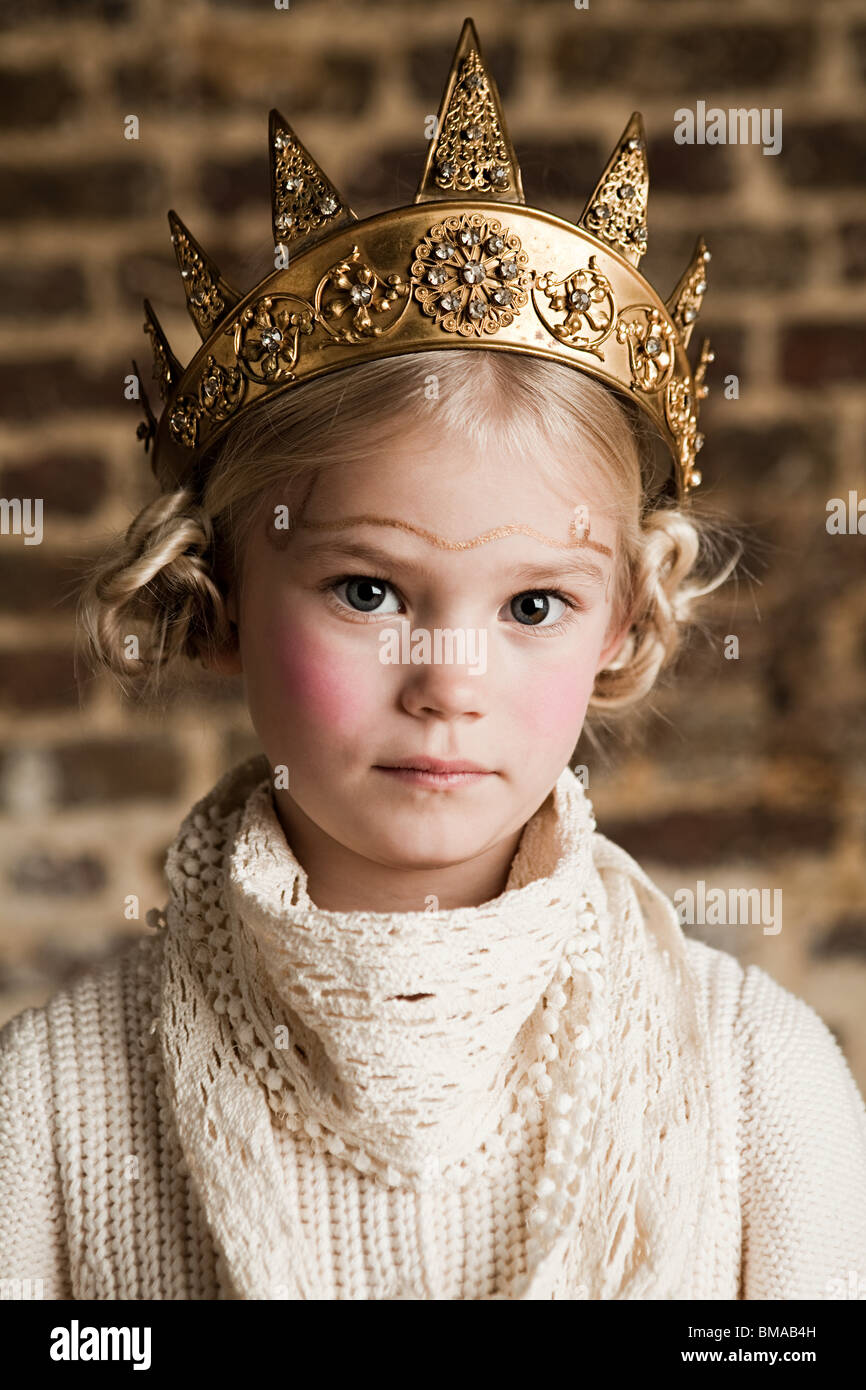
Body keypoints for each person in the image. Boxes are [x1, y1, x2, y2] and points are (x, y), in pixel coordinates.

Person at [1, 20, 865, 1302]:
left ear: (624, 623)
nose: (449, 675)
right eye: (368, 589)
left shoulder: (755, 1083)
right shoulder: (53, 1106)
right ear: (220, 596)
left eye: (531, 605)